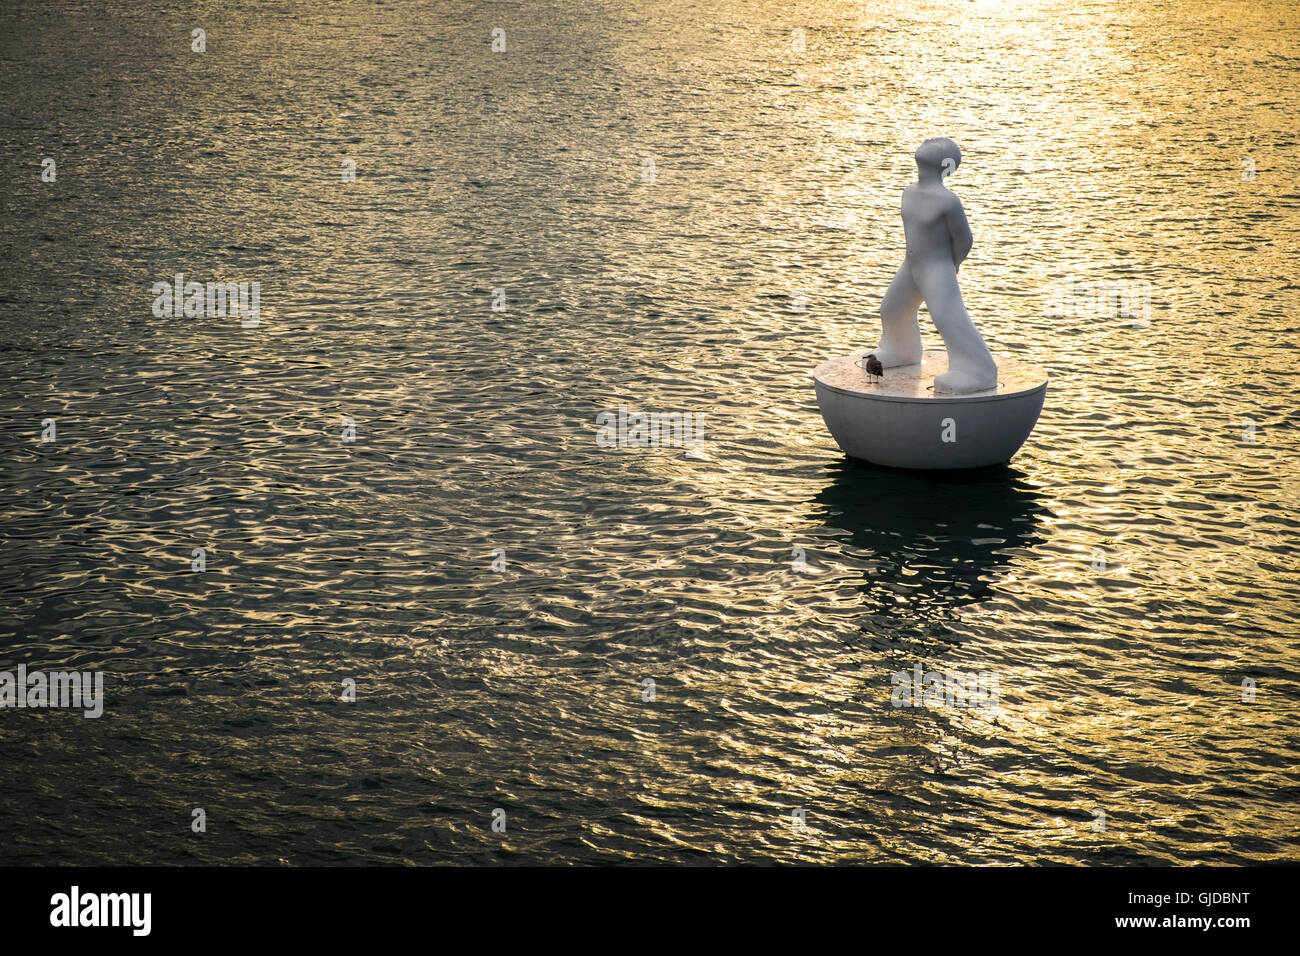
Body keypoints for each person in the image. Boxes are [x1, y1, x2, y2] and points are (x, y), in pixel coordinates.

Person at [869, 137, 999, 394]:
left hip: (937, 268)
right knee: (892, 309)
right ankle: (900, 350)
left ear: (946, 164)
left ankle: (977, 370)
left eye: (938, 145)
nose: (930, 142)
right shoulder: (909, 192)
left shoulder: (948, 201)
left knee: (949, 319)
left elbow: (965, 240)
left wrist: (951, 266)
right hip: (912, 264)